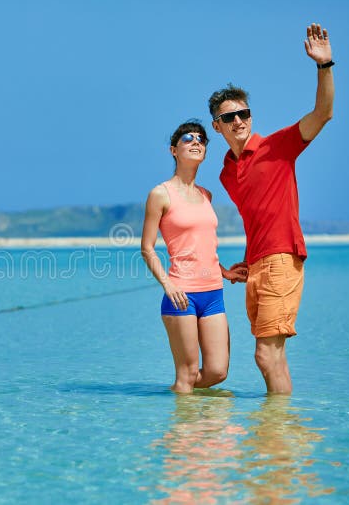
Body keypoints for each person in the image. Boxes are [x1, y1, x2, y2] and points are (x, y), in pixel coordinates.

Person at [209, 23, 335, 394]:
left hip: (283, 259)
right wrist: (246, 265)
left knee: (265, 355)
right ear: (217, 127)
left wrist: (324, 66)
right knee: (273, 356)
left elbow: (323, 113)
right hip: (257, 266)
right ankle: (283, 438)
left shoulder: (278, 146)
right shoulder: (226, 174)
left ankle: (278, 432)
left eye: (244, 114)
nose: (239, 121)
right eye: (229, 118)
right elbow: (258, 217)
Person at [141, 119, 247, 394]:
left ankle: (184, 402)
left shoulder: (206, 195)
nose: (196, 141)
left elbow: (201, 245)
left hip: (213, 292)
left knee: (217, 371)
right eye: (188, 138)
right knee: (187, 373)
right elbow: (147, 247)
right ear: (173, 150)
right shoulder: (160, 194)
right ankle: (183, 435)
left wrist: (224, 272)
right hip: (181, 294)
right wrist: (168, 284)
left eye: (201, 138)